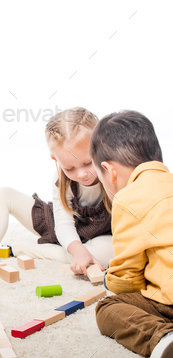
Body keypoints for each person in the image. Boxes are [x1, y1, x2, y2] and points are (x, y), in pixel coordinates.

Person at [0, 107, 113, 274]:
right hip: (63, 227)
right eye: (69, 168)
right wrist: (77, 250)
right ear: (56, 159)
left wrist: (82, 252)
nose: (82, 174)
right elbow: (63, 224)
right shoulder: (61, 179)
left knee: (114, 252)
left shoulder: (113, 172)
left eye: (87, 163)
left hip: (100, 234)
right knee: (3, 194)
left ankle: (37, 250)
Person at [92, 110, 173, 358]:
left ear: (110, 171)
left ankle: (163, 337)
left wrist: (112, 282)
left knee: (108, 308)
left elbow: (128, 277)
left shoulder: (128, 198)